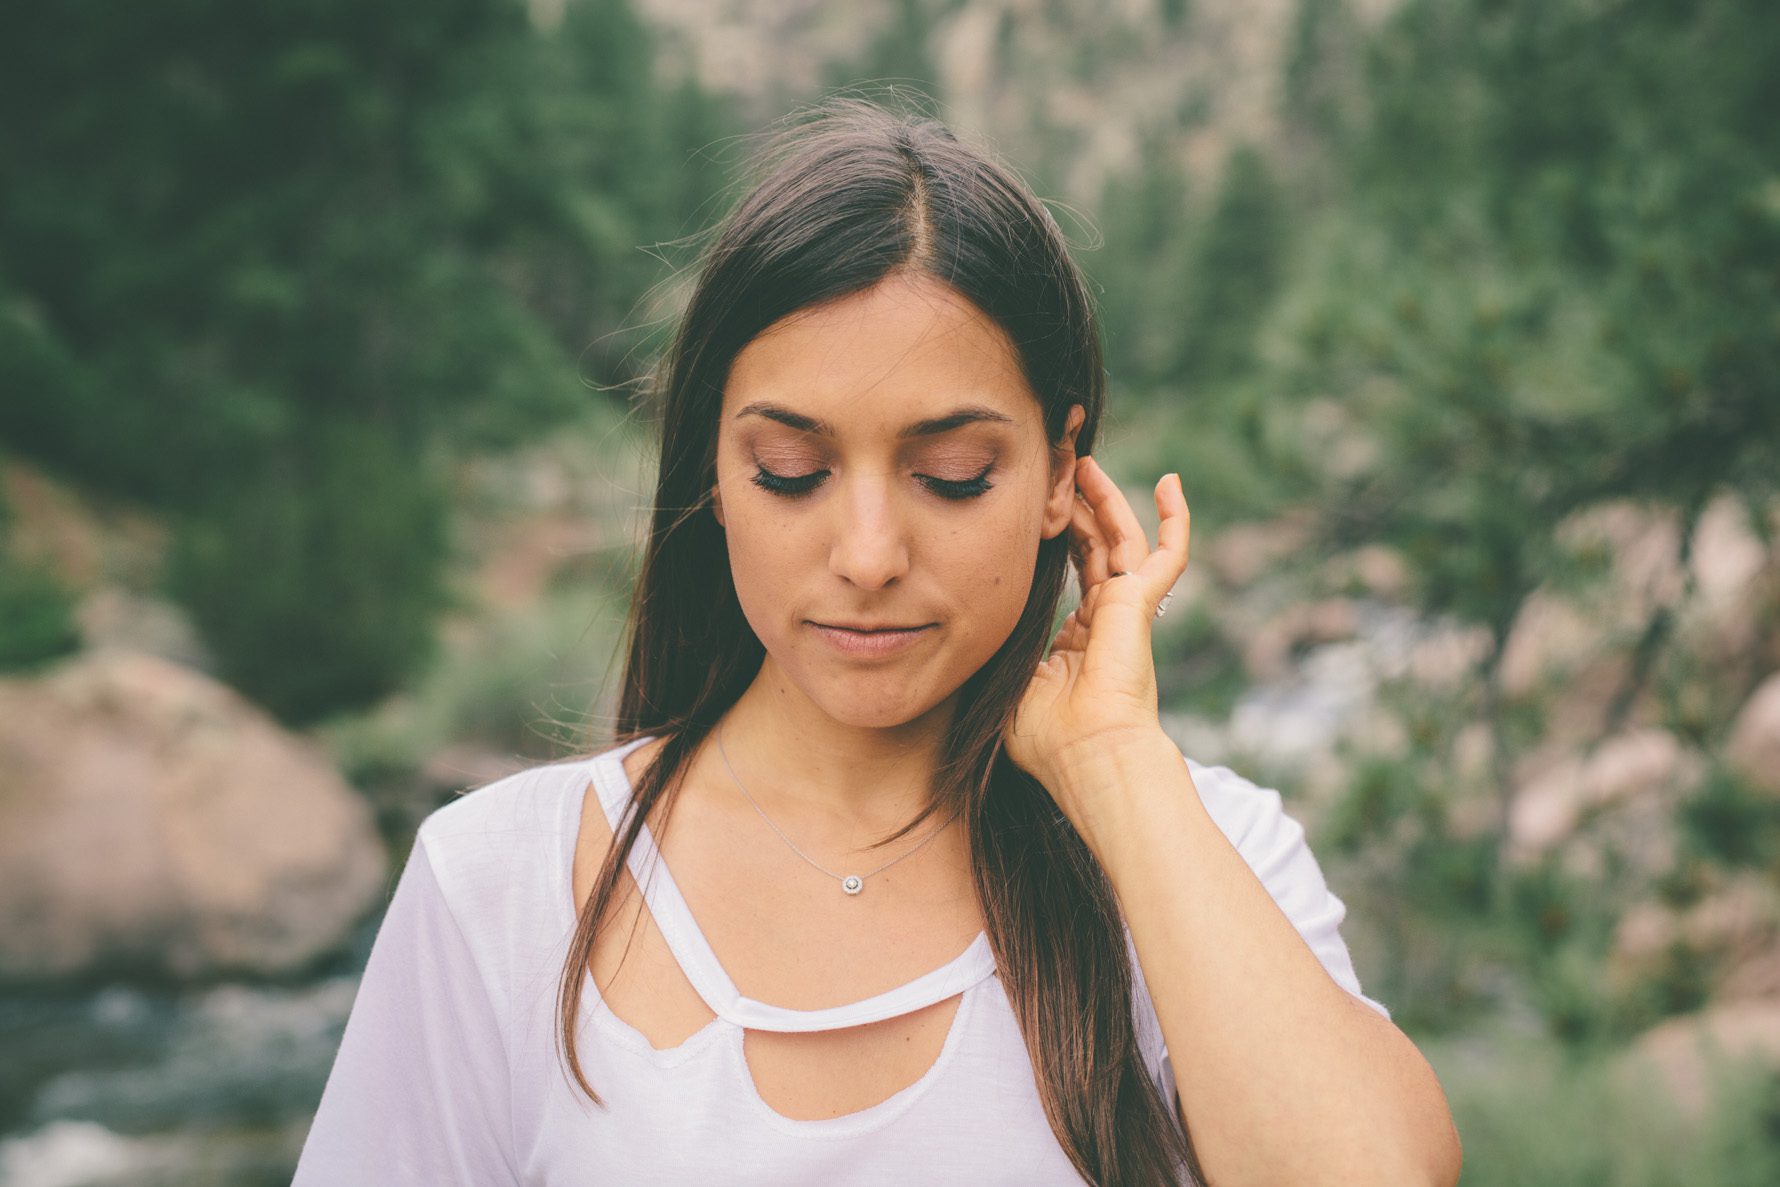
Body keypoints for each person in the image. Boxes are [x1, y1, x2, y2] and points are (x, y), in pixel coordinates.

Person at [292, 97, 1460, 1186]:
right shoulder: (500, 884)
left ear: (1061, 473)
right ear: (714, 469)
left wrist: (1111, 759)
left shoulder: (1196, 855)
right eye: (790, 469)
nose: (866, 553)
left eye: (950, 474)